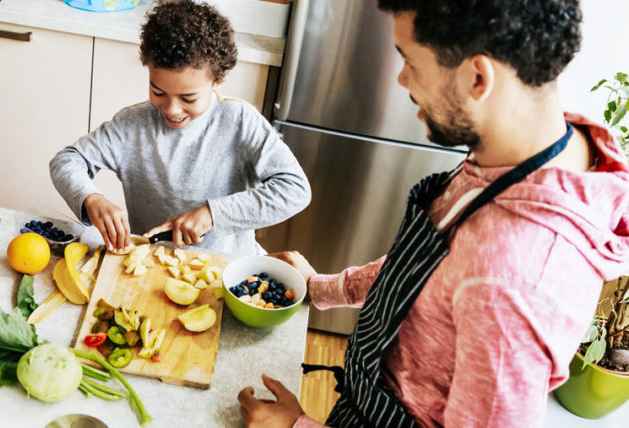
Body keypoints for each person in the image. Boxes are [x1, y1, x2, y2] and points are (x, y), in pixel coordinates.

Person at [237, 1, 629, 427]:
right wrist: (322, 289)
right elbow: (432, 267)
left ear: (478, 78)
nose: (402, 79)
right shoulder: (533, 152)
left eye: (408, 60)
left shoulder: (510, 280)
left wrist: (297, 426)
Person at [49, 0, 311, 255]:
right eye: (158, 91)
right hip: (152, 267)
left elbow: (295, 190)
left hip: (227, 268)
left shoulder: (240, 121)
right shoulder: (132, 125)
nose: (172, 109)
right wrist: (91, 198)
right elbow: (66, 160)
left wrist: (212, 214)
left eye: (188, 98)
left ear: (218, 80)